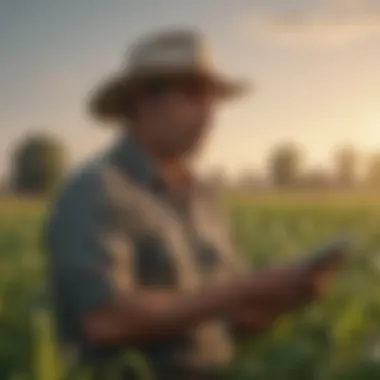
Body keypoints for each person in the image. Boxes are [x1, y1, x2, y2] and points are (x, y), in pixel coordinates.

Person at [45, 29, 342, 380]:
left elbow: (228, 317)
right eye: (193, 97)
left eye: (212, 102)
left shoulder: (204, 197)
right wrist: (246, 289)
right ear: (142, 101)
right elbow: (105, 319)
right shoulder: (95, 189)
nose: (209, 116)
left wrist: (280, 298)